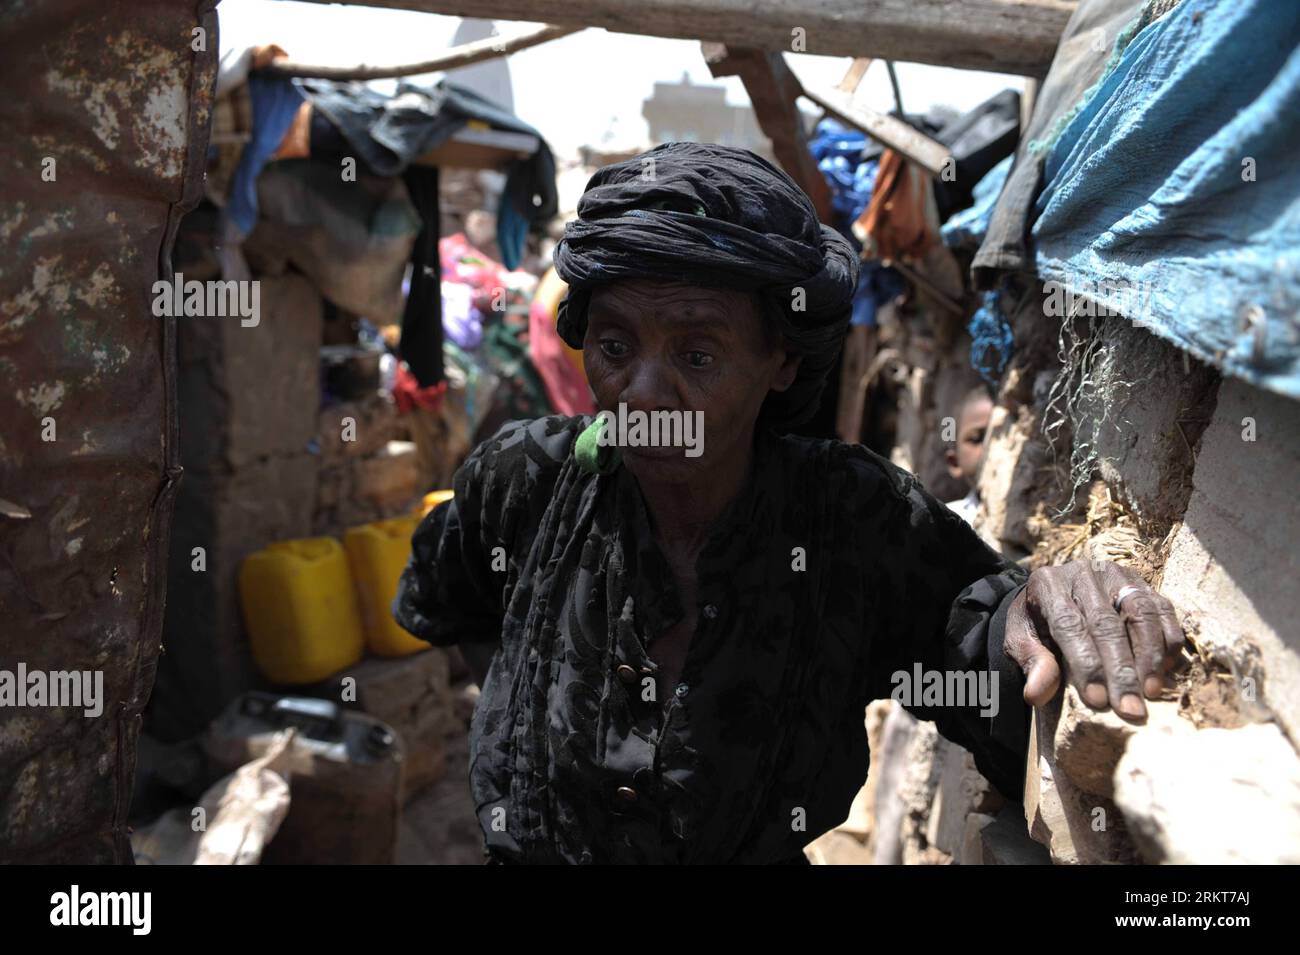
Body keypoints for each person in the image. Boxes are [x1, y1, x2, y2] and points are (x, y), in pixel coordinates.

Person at [393, 143, 1184, 865]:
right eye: (614, 346)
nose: (640, 394)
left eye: (697, 353)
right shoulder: (526, 478)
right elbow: (448, 593)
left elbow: (972, 642)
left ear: (780, 361)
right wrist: (524, 718)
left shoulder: (849, 520)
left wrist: (1037, 607)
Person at [944, 386, 995, 526]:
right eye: (977, 439)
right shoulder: (944, 523)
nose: (991, 446)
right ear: (954, 462)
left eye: (1000, 436)